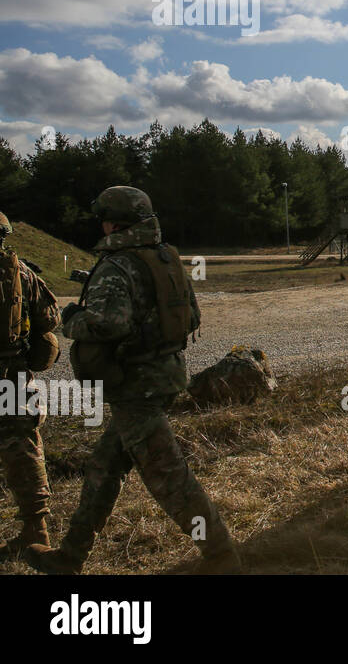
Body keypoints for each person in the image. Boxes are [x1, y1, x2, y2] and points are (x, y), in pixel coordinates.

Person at [24, 186, 240, 574]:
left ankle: (221, 556)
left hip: (134, 387)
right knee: (104, 468)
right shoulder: (165, 257)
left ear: (113, 221)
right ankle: (70, 557)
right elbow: (191, 317)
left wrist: (72, 319)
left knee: (169, 478)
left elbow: (109, 323)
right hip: (163, 378)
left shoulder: (117, 265)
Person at [0, 211, 61, 560]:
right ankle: (36, 530)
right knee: (23, 447)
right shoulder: (21, 272)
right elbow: (50, 318)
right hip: (13, 375)